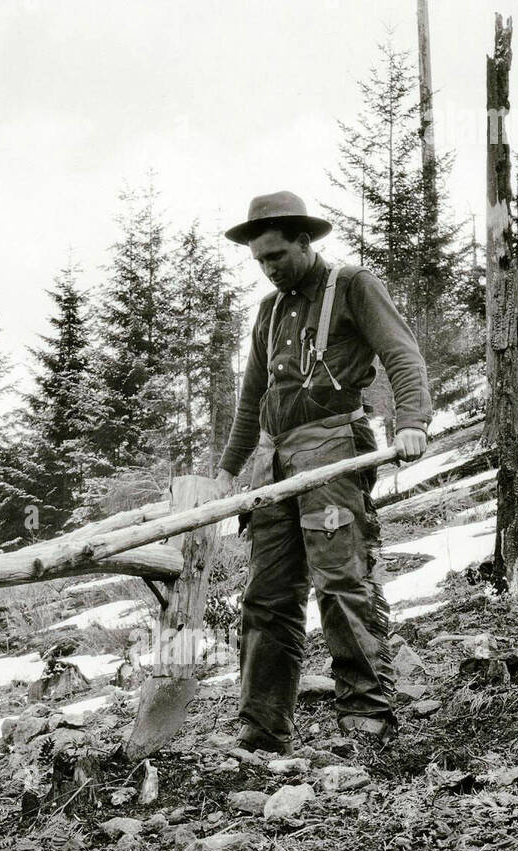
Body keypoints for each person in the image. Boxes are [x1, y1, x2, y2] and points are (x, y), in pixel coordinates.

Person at [215, 190, 432, 757]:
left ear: (305, 243)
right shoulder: (269, 311)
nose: (268, 268)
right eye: (260, 260)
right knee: (266, 598)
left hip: (334, 451)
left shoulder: (354, 286)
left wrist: (411, 422)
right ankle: (262, 732)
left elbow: (403, 354)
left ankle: (366, 721)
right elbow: (250, 400)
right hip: (275, 466)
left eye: (277, 256)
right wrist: (226, 472)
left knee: (341, 582)